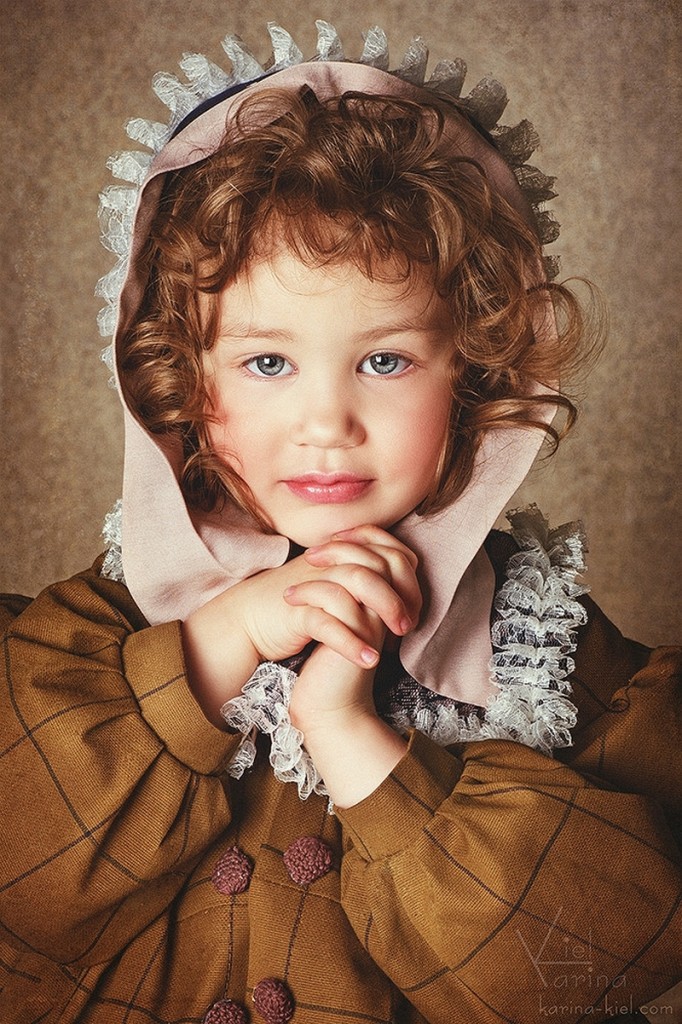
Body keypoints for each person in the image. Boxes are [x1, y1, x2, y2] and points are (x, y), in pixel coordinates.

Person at [0, 22, 679, 1024]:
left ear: (479, 374)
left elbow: (594, 960)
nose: (327, 423)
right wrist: (220, 642)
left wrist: (350, 735)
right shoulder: (100, 632)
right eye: (267, 362)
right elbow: (27, 877)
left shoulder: (556, 665)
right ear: (181, 381)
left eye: (386, 359)